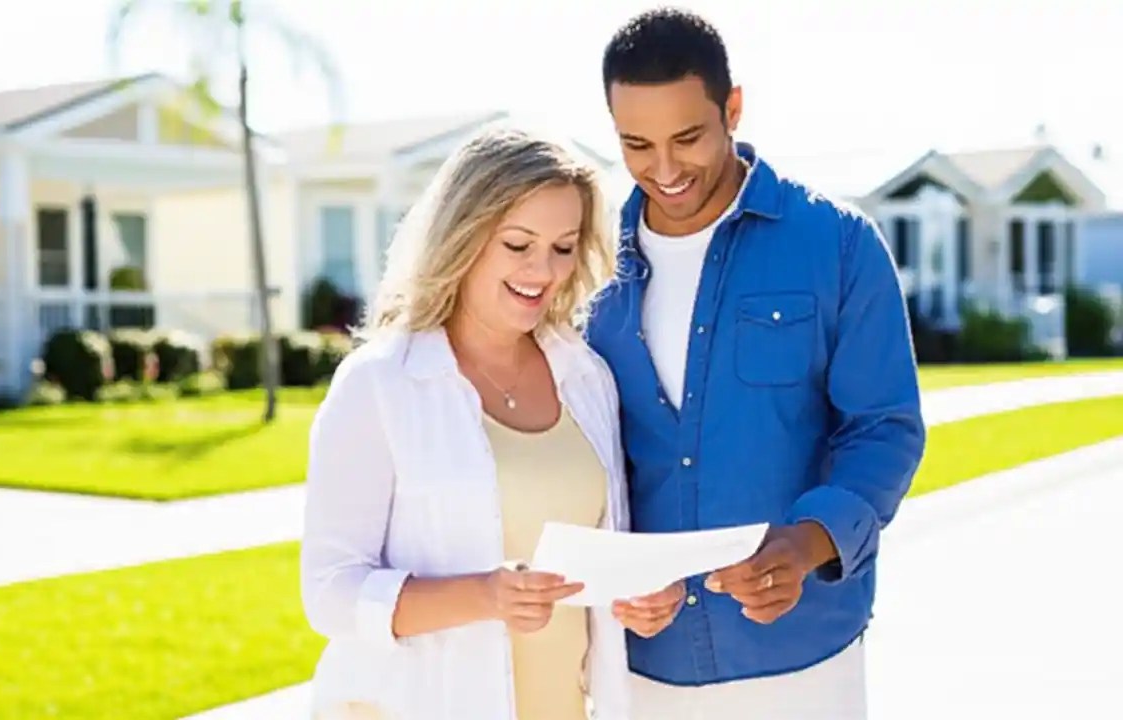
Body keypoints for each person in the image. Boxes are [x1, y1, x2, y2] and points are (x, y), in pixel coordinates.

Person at [584, 7, 928, 719]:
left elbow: (883, 429)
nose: (664, 170)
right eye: (636, 144)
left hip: (804, 660)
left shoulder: (836, 243)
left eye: (688, 137)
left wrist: (806, 543)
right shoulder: (588, 268)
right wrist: (611, 575)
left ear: (732, 108)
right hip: (644, 667)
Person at [300, 125, 672, 720]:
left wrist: (638, 598)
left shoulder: (587, 377)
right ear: (464, 235)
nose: (543, 270)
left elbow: (601, 559)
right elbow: (330, 592)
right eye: (518, 244)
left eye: (563, 247)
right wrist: (484, 595)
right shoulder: (380, 383)